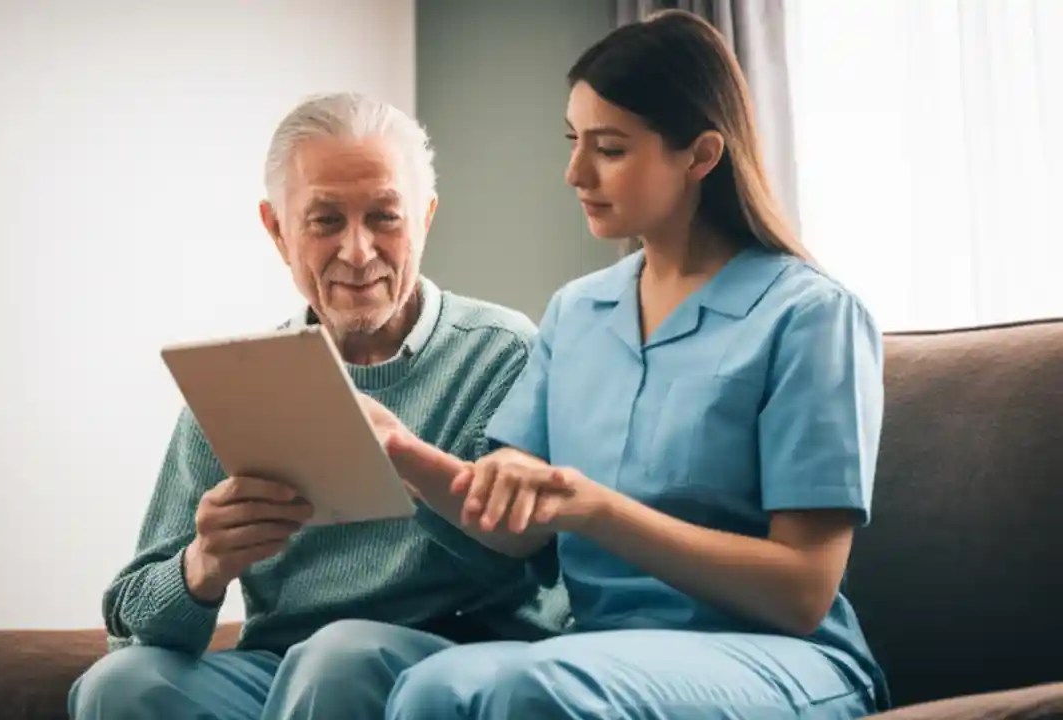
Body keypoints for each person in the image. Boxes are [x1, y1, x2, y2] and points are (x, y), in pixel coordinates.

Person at [361, 10, 890, 719]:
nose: (575, 171)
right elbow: (518, 524)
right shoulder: (578, 313)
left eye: (609, 148)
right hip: (602, 649)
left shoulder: (810, 316)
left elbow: (803, 591)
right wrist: (397, 450)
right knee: (408, 681)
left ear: (701, 156)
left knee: (527, 686)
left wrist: (601, 510)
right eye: (574, 140)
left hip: (780, 655)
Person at [67, 92, 567, 720]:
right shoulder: (239, 382)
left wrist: (408, 466)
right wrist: (203, 567)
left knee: (339, 654)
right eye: (325, 220)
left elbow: (537, 565)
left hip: (452, 659)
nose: (358, 252)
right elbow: (129, 619)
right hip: (282, 670)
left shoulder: (503, 353)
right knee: (117, 684)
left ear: (425, 218)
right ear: (277, 230)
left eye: (385, 217)